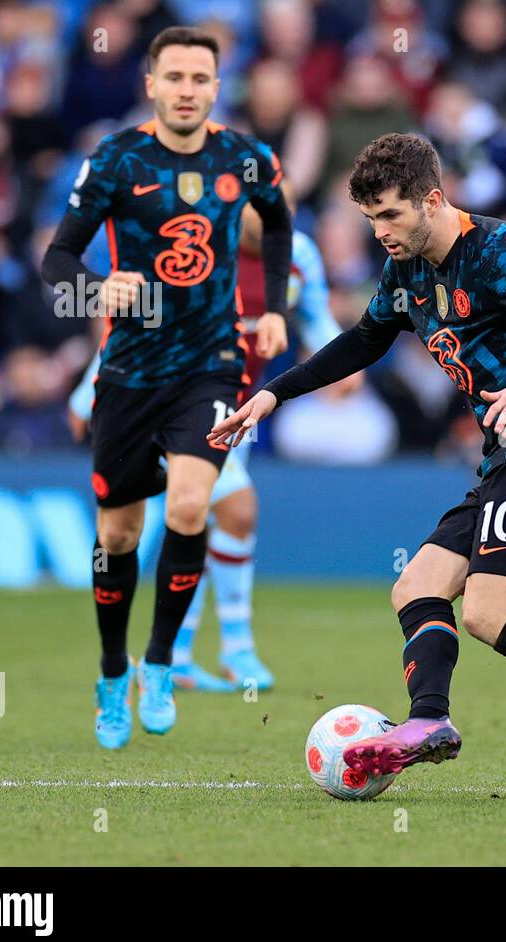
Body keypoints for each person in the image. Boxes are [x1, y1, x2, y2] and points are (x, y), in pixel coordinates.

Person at [209, 133, 506, 806]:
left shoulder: (496, 251)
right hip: (505, 457)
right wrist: (272, 393)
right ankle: (430, 719)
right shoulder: (407, 274)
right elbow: (363, 341)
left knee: (489, 612)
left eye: (392, 215)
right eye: (371, 219)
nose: (381, 232)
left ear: (433, 198)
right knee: (416, 587)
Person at [40, 27, 292, 748]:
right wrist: (96, 289)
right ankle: (112, 672)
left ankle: (160, 663)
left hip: (211, 362)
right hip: (128, 371)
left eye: (199, 78)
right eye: (174, 77)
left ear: (217, 87)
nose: (187, 89)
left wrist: (271, 306)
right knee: (118, 533)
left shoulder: (244, 158)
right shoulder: (117, 159)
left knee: (188, 504)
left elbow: (277, 222)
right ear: (151, 84)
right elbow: (56, 261)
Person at [66, 199, 337, 693]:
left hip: (239, 412)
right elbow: (136, 327)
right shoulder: (197, 252)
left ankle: (181, 655)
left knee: (205, 522)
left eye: (291, 206)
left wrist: (340, 364)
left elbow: (316, 316)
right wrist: (88, 392)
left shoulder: (299, 253)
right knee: (235, 509)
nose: (282, 218)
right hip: (178, 402)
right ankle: (234, 650)